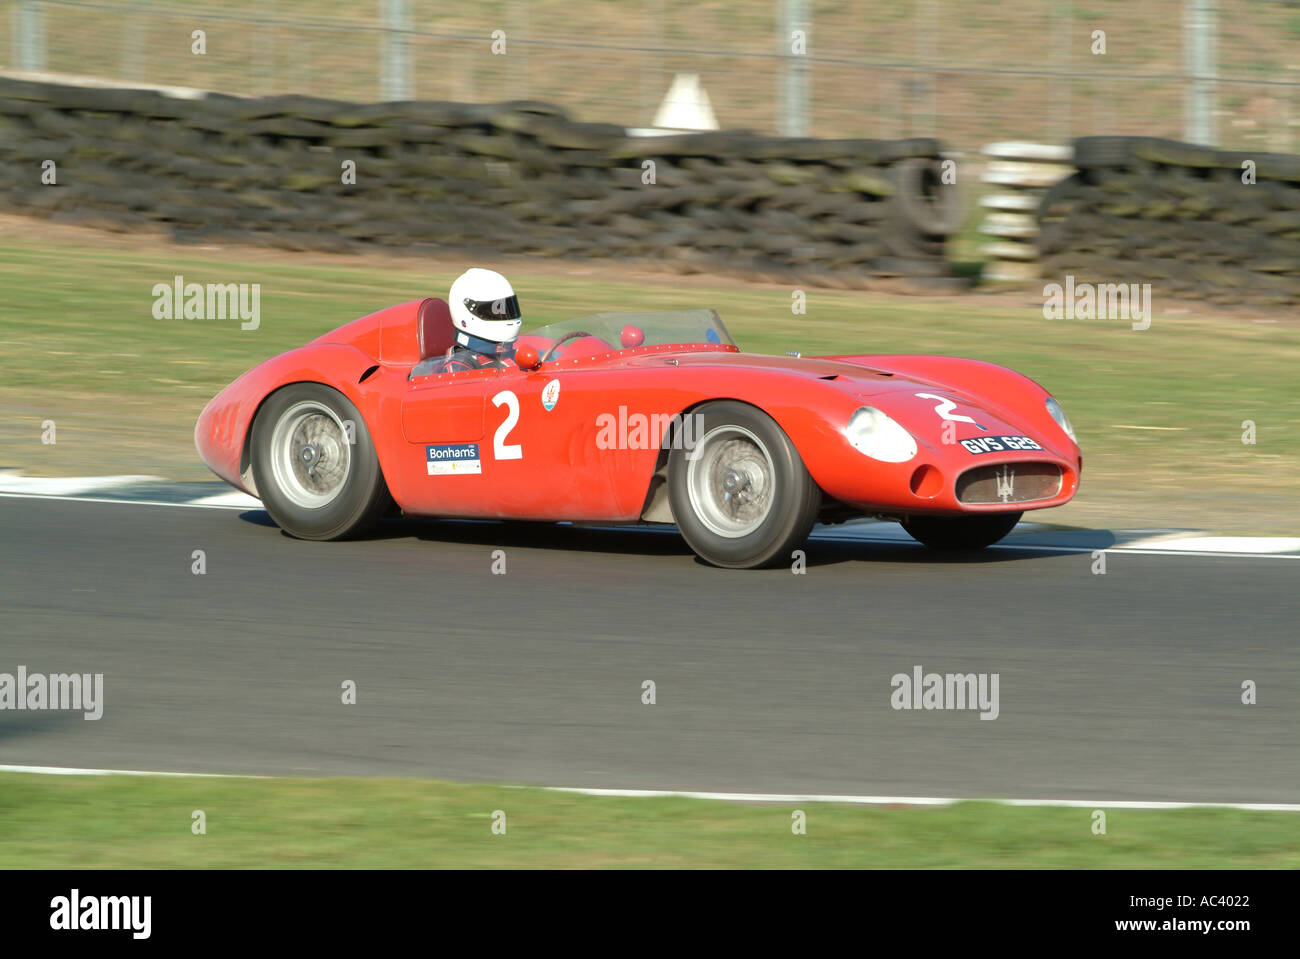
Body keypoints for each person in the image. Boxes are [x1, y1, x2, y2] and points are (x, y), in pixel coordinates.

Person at [413, 268, 522, 375]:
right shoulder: (460, 365)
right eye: (495, 311)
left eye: (508, 308)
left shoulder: (510, 354)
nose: (505, 316)